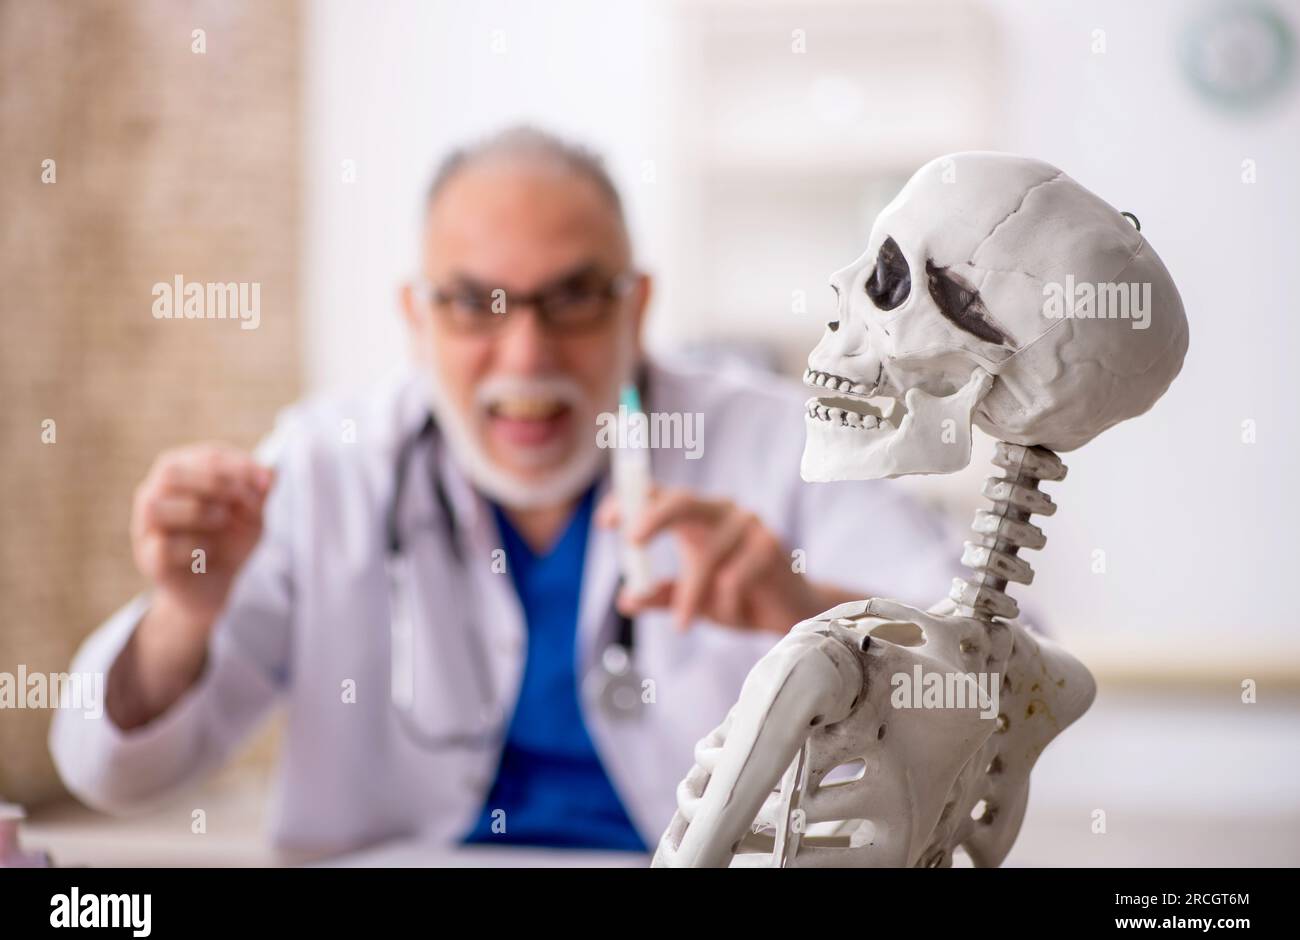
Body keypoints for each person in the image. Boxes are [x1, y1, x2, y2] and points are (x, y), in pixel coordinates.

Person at [50, 127, 954, 856]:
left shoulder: (777, 441)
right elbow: (111, 772)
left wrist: (811, 609)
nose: (525, 354)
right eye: (475, 303)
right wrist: (183, 611)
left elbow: (1004, 674)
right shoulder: (329, 463)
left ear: (637, 306)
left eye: (572, 299)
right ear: (417, 317)